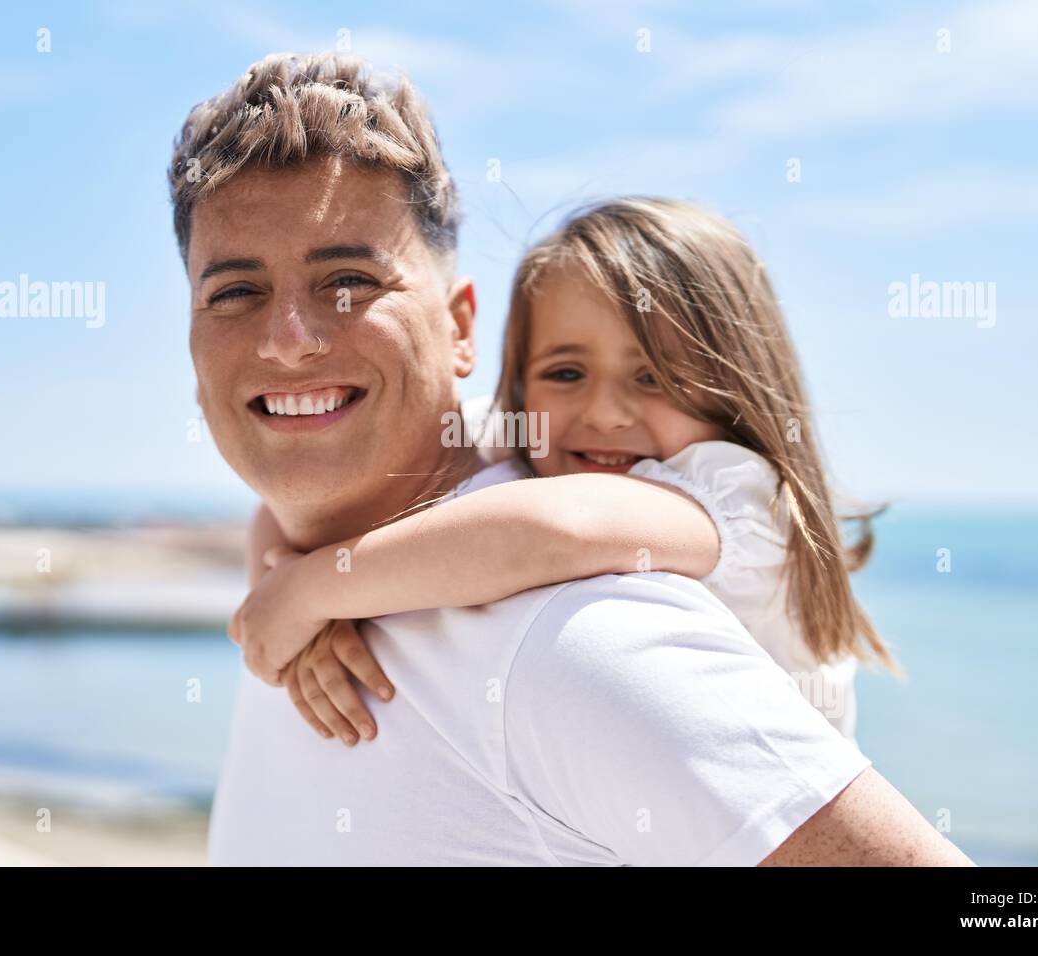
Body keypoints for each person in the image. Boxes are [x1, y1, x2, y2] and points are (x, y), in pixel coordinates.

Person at [174, 51, 972, 865]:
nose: (289, 342)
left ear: (460, 330)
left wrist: (313, 585)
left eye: (348, 279)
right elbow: (291, 504)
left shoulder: (593, 624)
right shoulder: (430, 503)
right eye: (235, 292)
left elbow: (551, 529)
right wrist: (278, 581)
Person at [235, 197, 897, 748]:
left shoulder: (742, 496)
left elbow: (557, 529)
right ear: (522, 385)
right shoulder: (524, 430)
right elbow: (328, 490)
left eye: (655, 377)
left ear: (736, 389)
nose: (604, 413)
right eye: (565, 373)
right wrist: (290, 601)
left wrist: (315, 590)